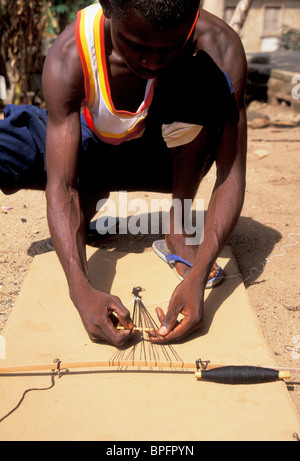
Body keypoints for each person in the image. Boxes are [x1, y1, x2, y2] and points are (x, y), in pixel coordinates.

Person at [0, 0, 247, 346]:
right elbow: (60, 183)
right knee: (6, 149)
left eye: (169, 47)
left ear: (192, 17)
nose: (152, 61)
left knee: (207, 81)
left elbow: (231, 173)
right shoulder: (70, 53)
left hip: (158, 155)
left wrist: (200, 273)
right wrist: (80, 289)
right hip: (88, 146)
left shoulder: (218, 45)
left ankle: (177, 231)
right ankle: (93, 188)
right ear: (108, 8)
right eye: (136, 45)